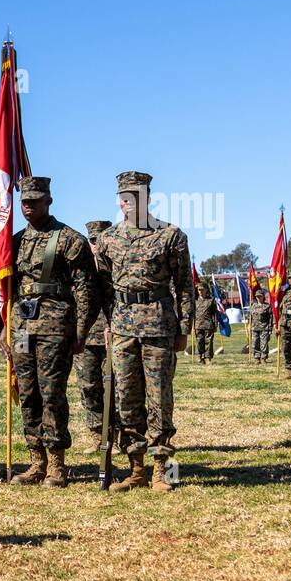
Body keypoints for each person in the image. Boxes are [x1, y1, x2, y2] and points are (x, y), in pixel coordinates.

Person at [94, 171, 193, 493]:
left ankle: (162, 469)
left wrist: (184, 327)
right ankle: (135, 468)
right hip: (122, 328)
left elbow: (184, 285)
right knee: (126, 399)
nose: (128, 203)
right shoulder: (108, 239)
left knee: (159, 399)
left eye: (134, 198)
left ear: (147, 199)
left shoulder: (170, 236)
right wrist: (109, 324)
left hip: (158, 325)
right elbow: (104, 287)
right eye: (123, 198)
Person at [6, 176, 97, 487]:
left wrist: (81, 331)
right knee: (27, 391)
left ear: (49, 200)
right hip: (21, 328)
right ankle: (36, 461)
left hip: (55, 327)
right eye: (24, 202)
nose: (29, 207)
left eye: (35, 201)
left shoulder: (70, 240)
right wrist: (7, 330)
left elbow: (85, 290)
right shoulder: (14, 241)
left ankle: (57, 463)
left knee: (51, 393)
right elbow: (7, 288)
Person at [75, 220, 113, 449]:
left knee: (114, 388)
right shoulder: (80, 267)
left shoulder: (115, 265)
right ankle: (97, 436)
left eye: (100, 240)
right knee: (88, 387)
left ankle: (115, 437)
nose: (96, 245)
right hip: (86, 336)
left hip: (111, 334)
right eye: (92, 241)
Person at [193, 278, 217, 363]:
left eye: (202, 289)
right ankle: (200, 356)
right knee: (199, 341)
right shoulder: (195, 301)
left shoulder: (211, 300)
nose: (200, 291)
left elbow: (215, 314)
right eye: (199, 290)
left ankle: (208, 358)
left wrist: (215, 325)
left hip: (208, 324)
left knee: (209, 342)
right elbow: (192, 313)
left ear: (206, 290)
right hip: (198, 324)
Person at [249, 286, 272, 363]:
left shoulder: (267, 306)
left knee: (264, 343)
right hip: (255, 328)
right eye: (257, 296)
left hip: (264, 328)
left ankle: (263, 358)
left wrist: (270, 329)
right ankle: (256, 357)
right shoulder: (253, 306)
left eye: (260, 296)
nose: (258, 298)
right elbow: (250, 317)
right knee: (255, 343)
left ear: (263, 297)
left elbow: (270, 318)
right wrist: (249, 325)